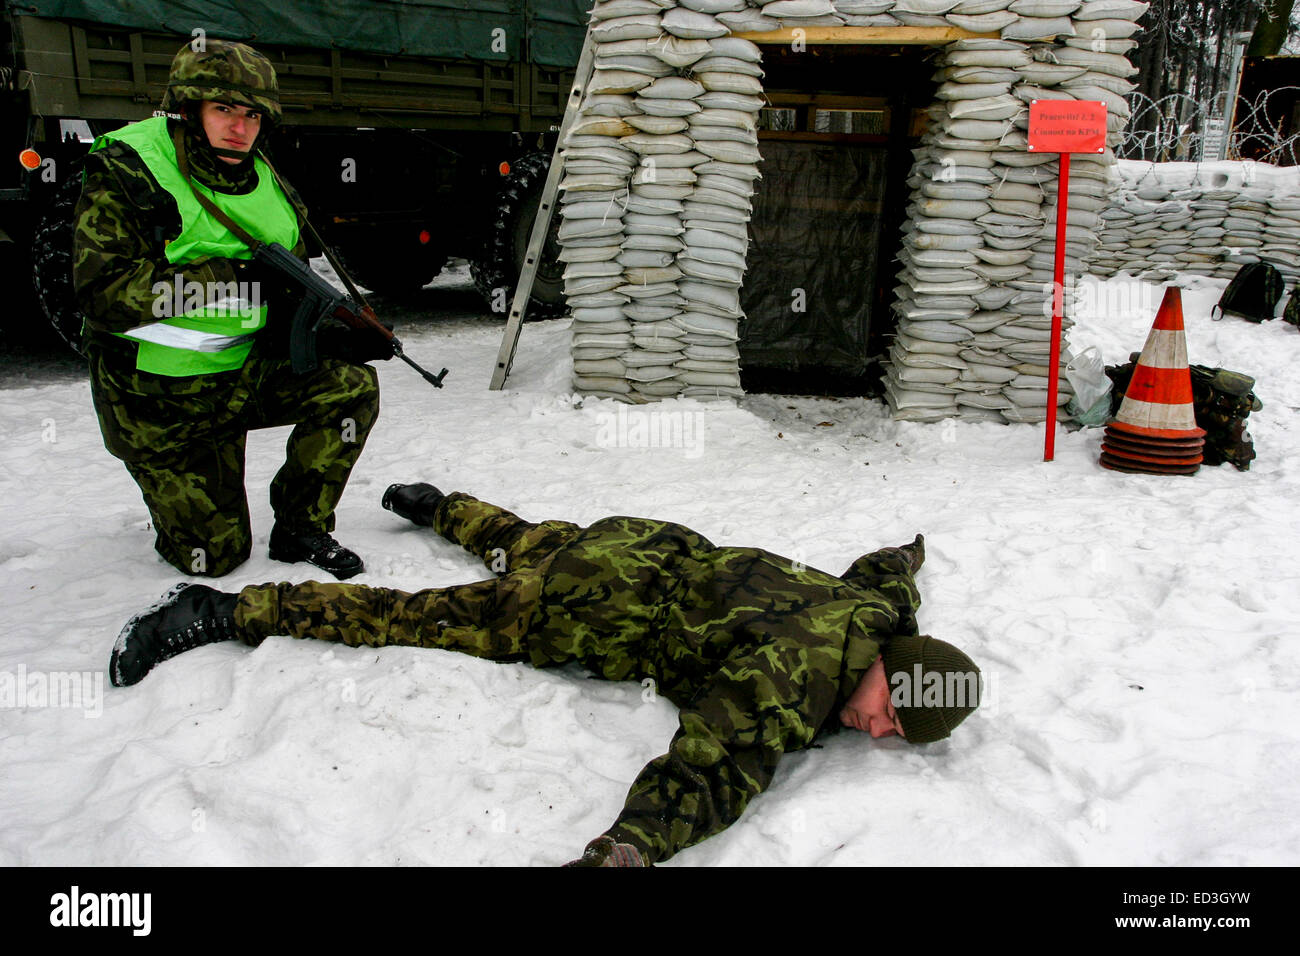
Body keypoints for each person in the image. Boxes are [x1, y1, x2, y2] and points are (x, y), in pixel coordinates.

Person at [109, 483, 983, 866]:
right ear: (892, 674)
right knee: (405, 617)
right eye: (891, 716)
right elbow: (709, 772)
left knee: (526, 540)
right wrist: (628, 851)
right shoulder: (796, 684)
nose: (877, 731)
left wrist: (909, 552)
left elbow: (883, 572)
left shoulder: (874, 617)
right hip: (588, 610)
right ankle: (224, 610)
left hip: (638, 542)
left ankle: (437, 504)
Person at [73, 39, 384, 580]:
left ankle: (300, 524)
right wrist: (228, 277)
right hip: (156, 398)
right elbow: (103, 294)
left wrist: (332, 331)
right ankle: (178, 484)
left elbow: (289, 292)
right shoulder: (130, 168)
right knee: (215, 559)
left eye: (252, 115)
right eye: (223, 110)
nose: (239, 128)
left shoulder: (269, 182)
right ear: (189, 109)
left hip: (237, 376)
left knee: (350, 386)